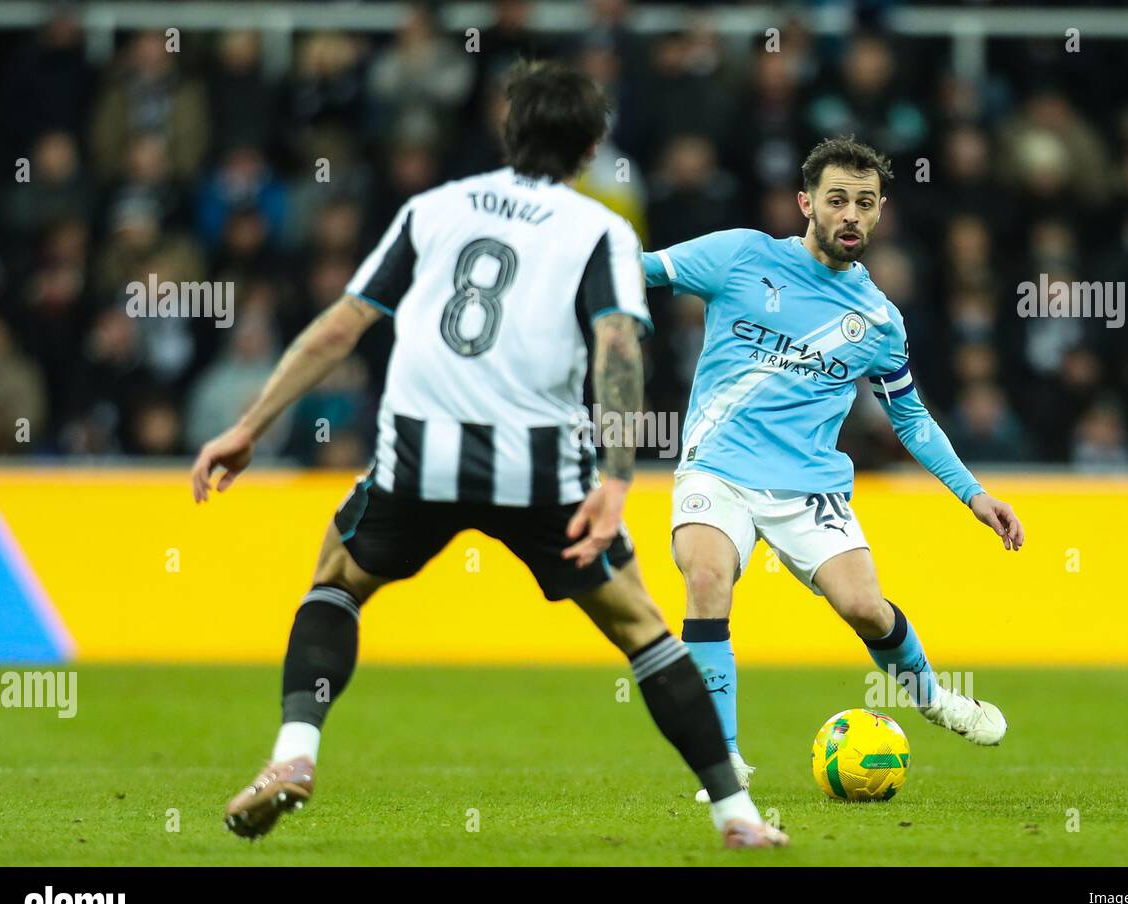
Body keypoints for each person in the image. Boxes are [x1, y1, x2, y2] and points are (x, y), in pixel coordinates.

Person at [190, 61, 786, 849]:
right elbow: (617, 347)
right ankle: (735, 814)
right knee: (639, 625)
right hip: (537, 462)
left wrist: (249, 426)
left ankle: (293, 755)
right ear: (589, 148)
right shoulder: (600, 230)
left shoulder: (433, 208)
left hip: (419, 452)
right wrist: (615, 478)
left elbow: (344, 324)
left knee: (335, 580)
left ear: (507, 130)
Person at [643, 135, 1025, 802]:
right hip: (718, 468)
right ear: (806, 203)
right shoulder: (740, 256)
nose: (852, 214)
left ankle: (932, 698)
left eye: (866, 203)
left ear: (880, 215)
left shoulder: (878, 319)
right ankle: (724, 761)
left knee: (866, 610)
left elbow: (910, 419)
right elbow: (643, 269)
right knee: (706, 578)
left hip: (809, 484)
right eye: (838, 199)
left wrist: (975, 495)